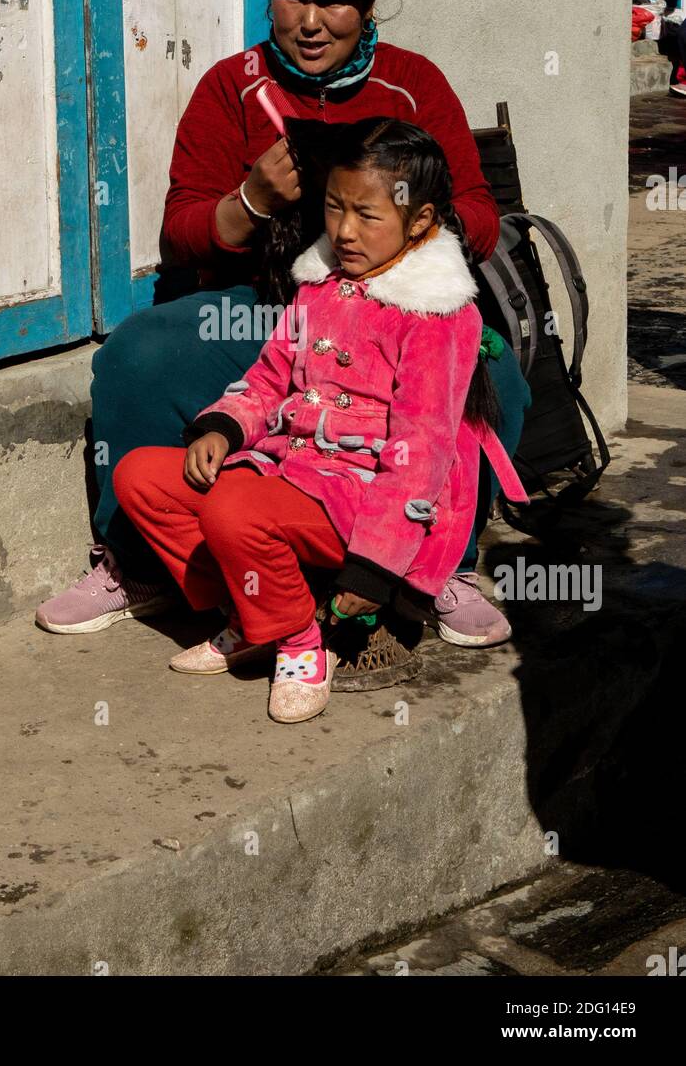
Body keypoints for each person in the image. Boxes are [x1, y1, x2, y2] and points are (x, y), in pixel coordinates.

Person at [35, 0, 530, 640]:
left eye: (331, 1)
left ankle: (439, 565)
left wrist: (406, 232)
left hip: (390, 319)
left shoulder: (414, 88)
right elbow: (181, 231)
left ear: (366, 5)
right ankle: (137, 563)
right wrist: (252, 201)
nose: (308, 22)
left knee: (490, 378)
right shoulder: (229, 90)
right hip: (263, 314)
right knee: (134, 357)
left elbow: (479, 212)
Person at [112, 122, 529, 724]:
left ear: (419, 220)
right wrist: (223, 429)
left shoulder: (438, 318)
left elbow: (422, 455)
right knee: (140, 478)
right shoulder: (321, 288)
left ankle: (302, 642)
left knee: (233, 512)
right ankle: (255, 613)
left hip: (363, 502)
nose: (345, 231)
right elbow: (268, 378)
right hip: (291, 471)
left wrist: (375, 569)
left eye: (367, 215)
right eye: (334, 208)